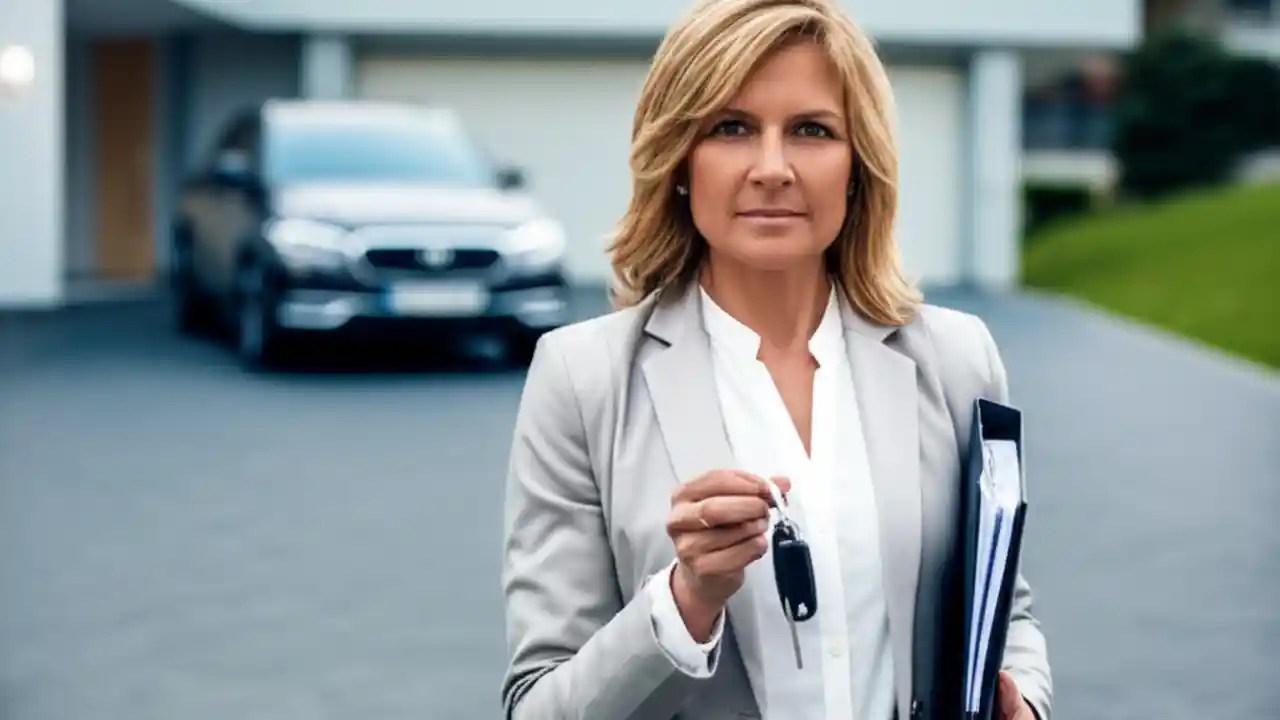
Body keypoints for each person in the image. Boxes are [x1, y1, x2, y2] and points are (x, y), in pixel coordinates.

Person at [500, 0, 1052, 717]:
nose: (772, 168)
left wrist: (1025, 705)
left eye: (812, 131)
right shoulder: (581, 379)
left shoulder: (955, 358)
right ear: (678, 160)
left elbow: (1004, 614)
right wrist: (684, 599)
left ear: (858, 168)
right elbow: (536, 704)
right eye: (731, 128)